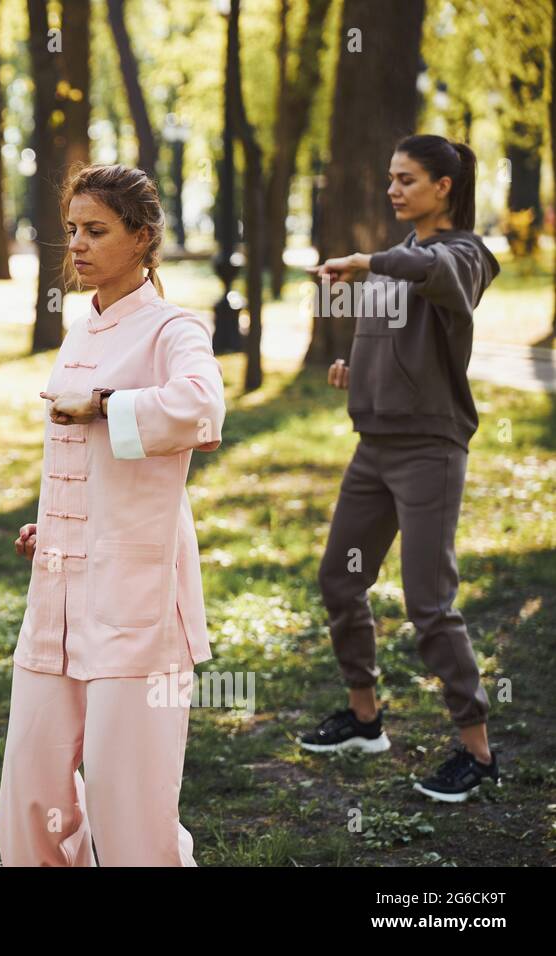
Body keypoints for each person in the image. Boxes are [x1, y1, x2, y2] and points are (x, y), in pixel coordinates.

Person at [0, 164, 226, 866]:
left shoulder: (172, 328)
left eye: (96, 231)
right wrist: (57, 526)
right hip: (59, 592)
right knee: (32, 794)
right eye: (71, 231)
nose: (78, 246)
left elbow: (202, 406)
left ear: (143, 237)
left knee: (131, 806)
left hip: (137, 601)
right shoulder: (81, 327)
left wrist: (103, 404)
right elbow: (85, 464)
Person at [301, 134, 502, 802]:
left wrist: (366, 261)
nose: (393, 190)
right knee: (341, 579)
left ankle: (476, 751)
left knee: (428, 603)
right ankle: (365, 719)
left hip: (429, 452)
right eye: (390, 177)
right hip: (374, 447)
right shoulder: (395, 262)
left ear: (444, 186)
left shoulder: (465, 254)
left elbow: (439, 277)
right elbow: (397, 343)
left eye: (407, 179)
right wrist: (356, 374)